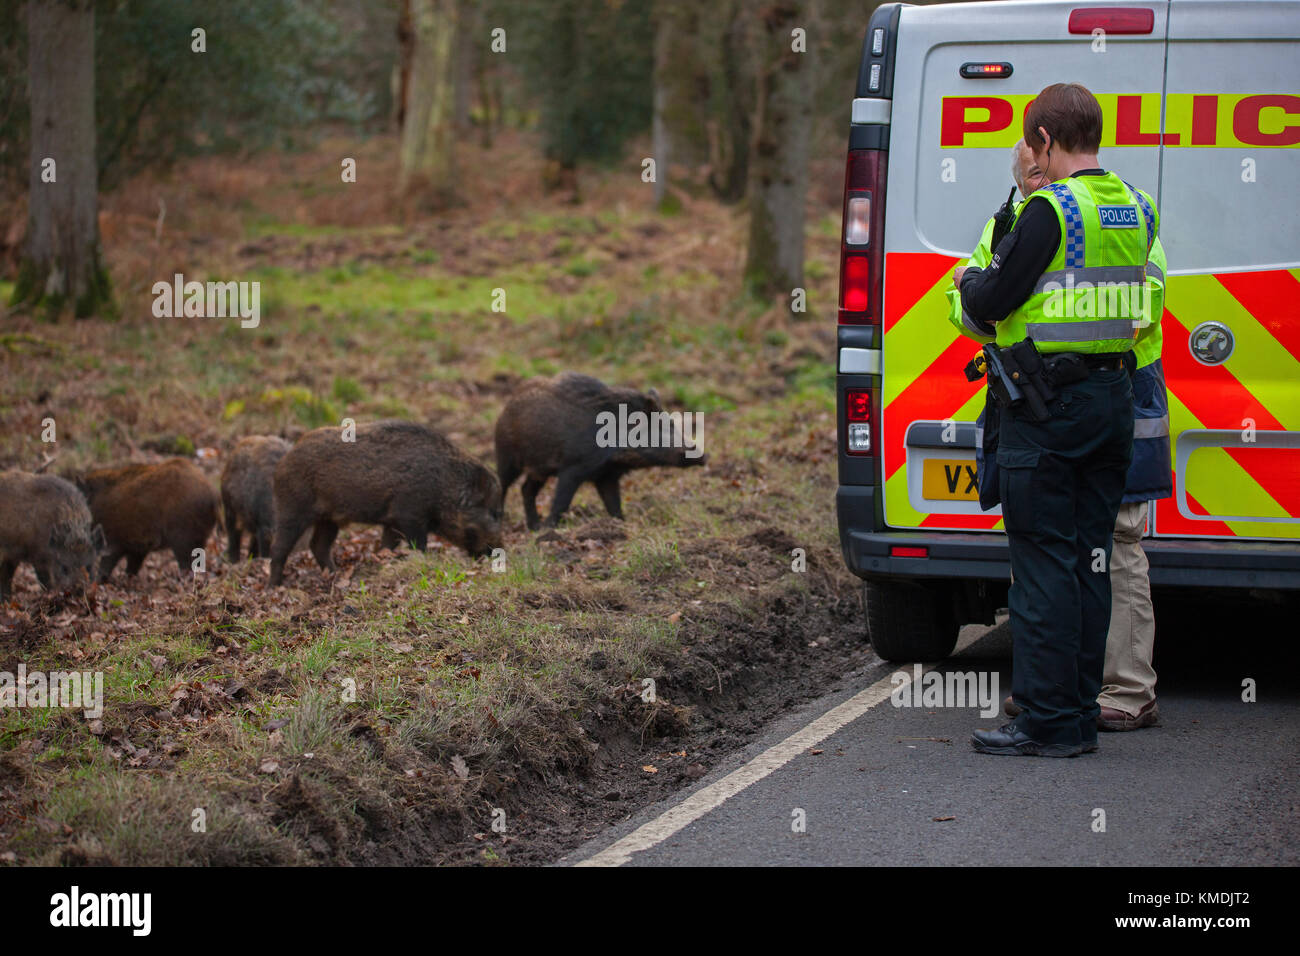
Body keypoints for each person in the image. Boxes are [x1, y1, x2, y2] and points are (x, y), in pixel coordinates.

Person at [953, 83, 1159, 757]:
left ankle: (1046, 722)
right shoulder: (1135, 206)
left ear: (1042, 140)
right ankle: (1077, 712)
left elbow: (988, 305)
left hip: (1048, 411)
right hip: (1112, 404)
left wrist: (968, 282)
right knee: (1091, 561)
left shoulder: (1048, 211)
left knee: (1042, 565)